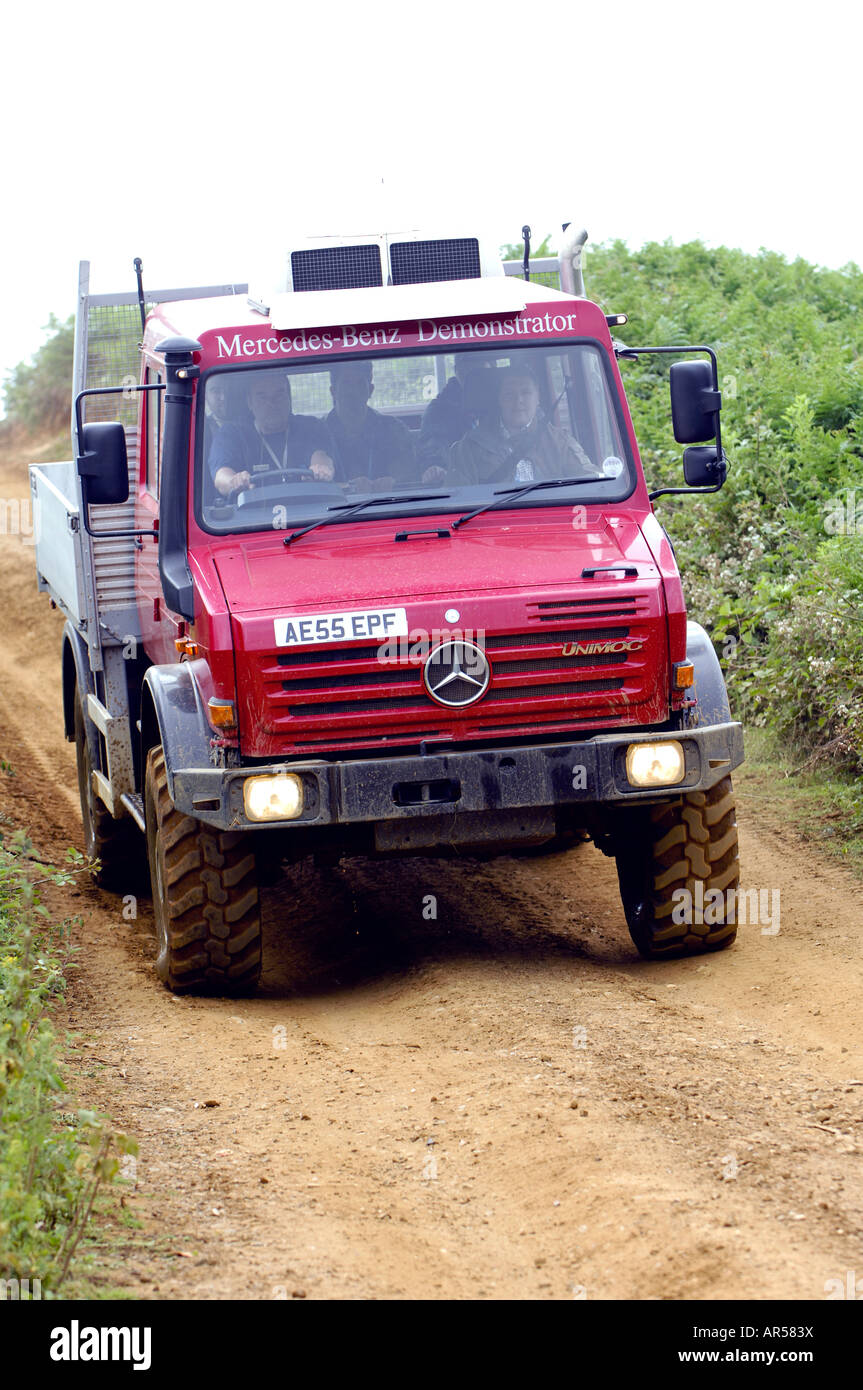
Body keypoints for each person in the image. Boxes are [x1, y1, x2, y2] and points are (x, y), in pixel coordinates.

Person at [448, 365, 599, 486]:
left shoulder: (560, 441)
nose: (518, 400)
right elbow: (456, 503)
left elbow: (591, 483)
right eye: (509, 394)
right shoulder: (470, 448)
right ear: (499, 399)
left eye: (526, 393)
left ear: (538, 398)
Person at [208, 371, 335, 498]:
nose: (271, 404)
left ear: (289, 398)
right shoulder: (231, 434)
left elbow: (321, 456)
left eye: (279, 395)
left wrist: (320, 469)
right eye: (262, 397)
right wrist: (234, 481)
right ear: (250, 402)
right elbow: (221, 476)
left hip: (313, 511)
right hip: (252, 515)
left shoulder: (310, 427)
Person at [325, 361, 414, 489]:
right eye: (346, 384)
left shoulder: (394, 429)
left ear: (370, 390)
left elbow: (410, 474)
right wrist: (347, 487)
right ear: (333, 391)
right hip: (334, 507)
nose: (353, 391)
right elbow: (312, 485)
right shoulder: (319, 433)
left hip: (388, 505)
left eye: (360, 384)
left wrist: (395, 482)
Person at [417, 351, 496, 471]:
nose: (473, 376)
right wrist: (435, 466)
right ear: (457, 371)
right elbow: (433, 444)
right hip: (459, 479)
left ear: (492, 368)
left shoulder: (504, 401)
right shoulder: (439, 409)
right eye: (468, 369)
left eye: (479, 369)